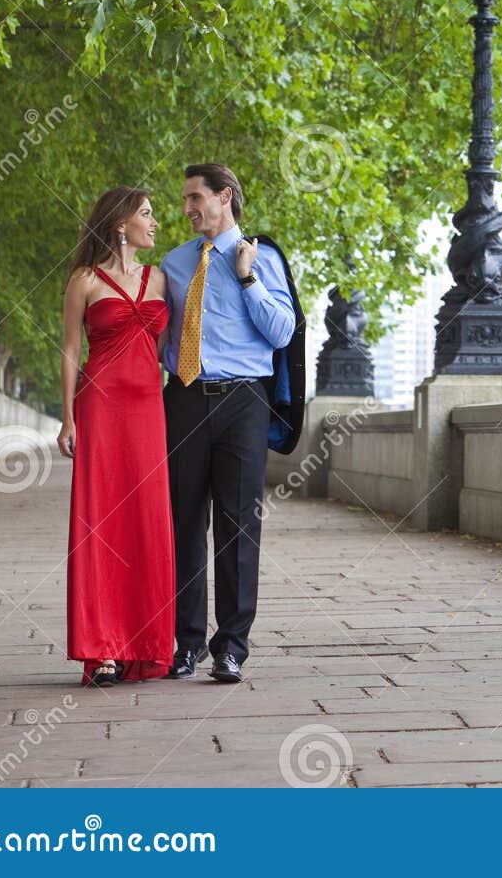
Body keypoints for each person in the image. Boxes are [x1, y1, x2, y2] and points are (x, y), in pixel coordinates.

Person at [160, 163, 296, 684]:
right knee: (184, 522)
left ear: (225, 197)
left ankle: (231, 647)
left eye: (196, 197)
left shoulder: (262, 259)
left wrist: (247, 278)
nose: (188, 208)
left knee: (239, 526)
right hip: (185, 400)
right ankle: (185, 643)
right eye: (186, 199)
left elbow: (281, 332)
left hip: (243, 402)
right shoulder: (174, 264)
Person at [59, 187, 175, 686]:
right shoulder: (83, 281)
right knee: (101, 523)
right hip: (100, 411)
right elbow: (69, 351)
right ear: (120, 222)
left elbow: (168, 349)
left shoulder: (163, 280)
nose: (155, 223)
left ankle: (147, 644)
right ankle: (102, 648)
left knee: (147, 521)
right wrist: (67, 417)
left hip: (149, 411)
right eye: (147, 214)